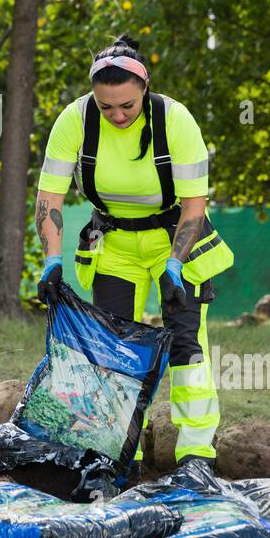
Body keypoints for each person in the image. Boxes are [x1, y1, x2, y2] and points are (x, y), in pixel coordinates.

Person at [33, 35, 232, 480]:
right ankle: (121, 456)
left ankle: (197, 454)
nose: (117, 115)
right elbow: (49, 198)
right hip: (114, 242)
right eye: (107, 107)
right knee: (114, 352)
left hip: (175, 236)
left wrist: (175, 267)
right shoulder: (75, 121)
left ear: (145, 88)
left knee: (186, 344)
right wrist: (51, 258)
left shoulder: (175, 120)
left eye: (127, 105)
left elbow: (194, 205)